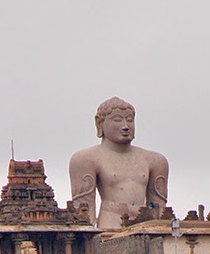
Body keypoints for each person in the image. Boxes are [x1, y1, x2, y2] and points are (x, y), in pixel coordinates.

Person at [69, 97, 170, 229]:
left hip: (144, 225)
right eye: (117, 120)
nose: (125, 126)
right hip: (111, 223)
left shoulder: (155, 160)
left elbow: (158, 209)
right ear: (99, 123)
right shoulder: (85, 159)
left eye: (130, 120)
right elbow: (84, 213)